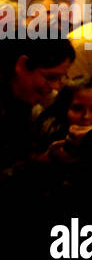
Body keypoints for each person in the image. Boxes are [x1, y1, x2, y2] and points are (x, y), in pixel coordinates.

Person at [1, 35, 74, 175]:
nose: (56, 87)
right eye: (51, 77)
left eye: (60, 78)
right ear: (22, 66)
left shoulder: (22, 105)